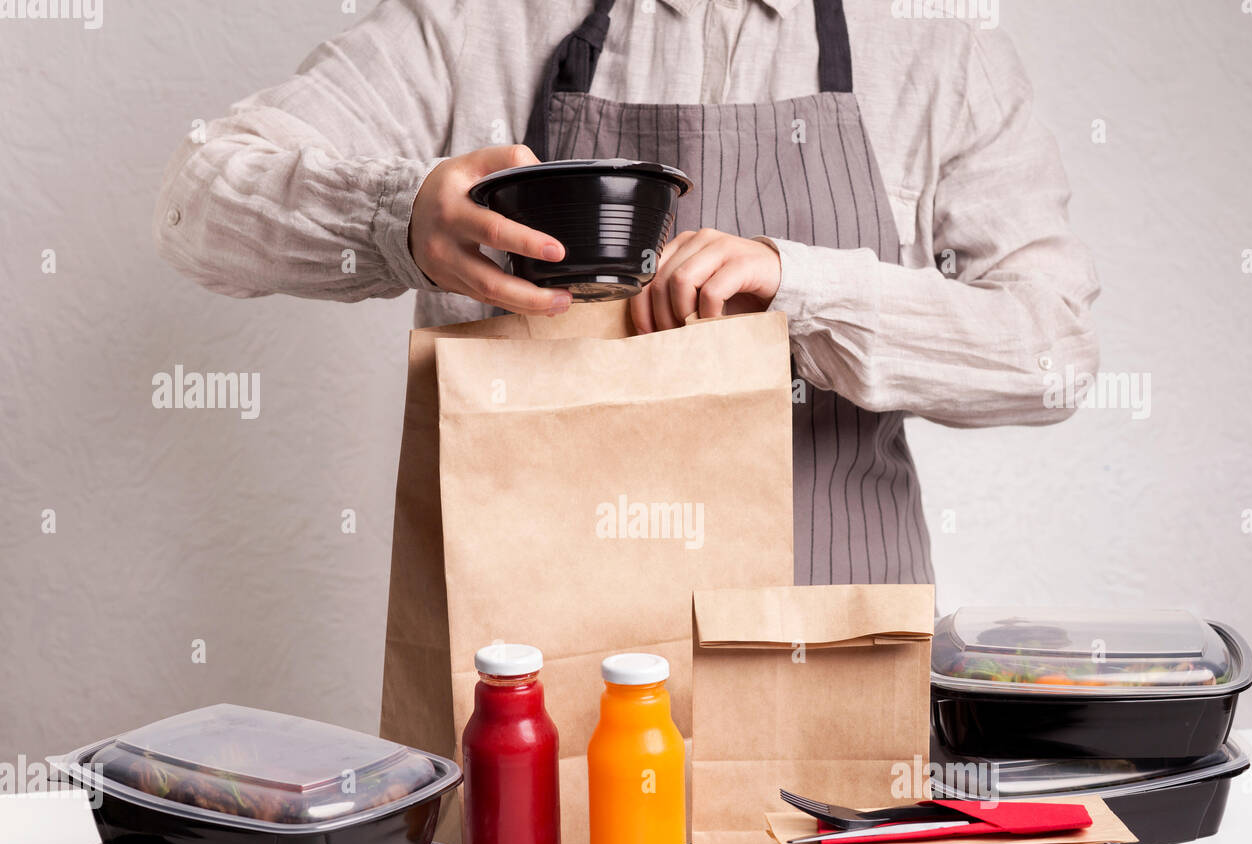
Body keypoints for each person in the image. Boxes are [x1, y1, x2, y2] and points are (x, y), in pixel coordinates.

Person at [155, 0, 1099, 586]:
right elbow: (199, 205)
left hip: (826, 646)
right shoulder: (473, 22)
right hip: (528, 662)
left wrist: (804, 290)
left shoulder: (935, 47)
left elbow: (1052, 353)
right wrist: (399, 218)